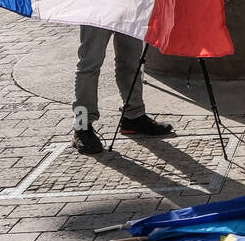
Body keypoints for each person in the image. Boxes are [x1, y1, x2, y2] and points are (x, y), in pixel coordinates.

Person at [72, 25, 174, 154]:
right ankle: (81, 125)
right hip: (97, 8)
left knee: (131, 61)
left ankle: (134, 116)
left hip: (129, 7)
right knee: (89, 63)